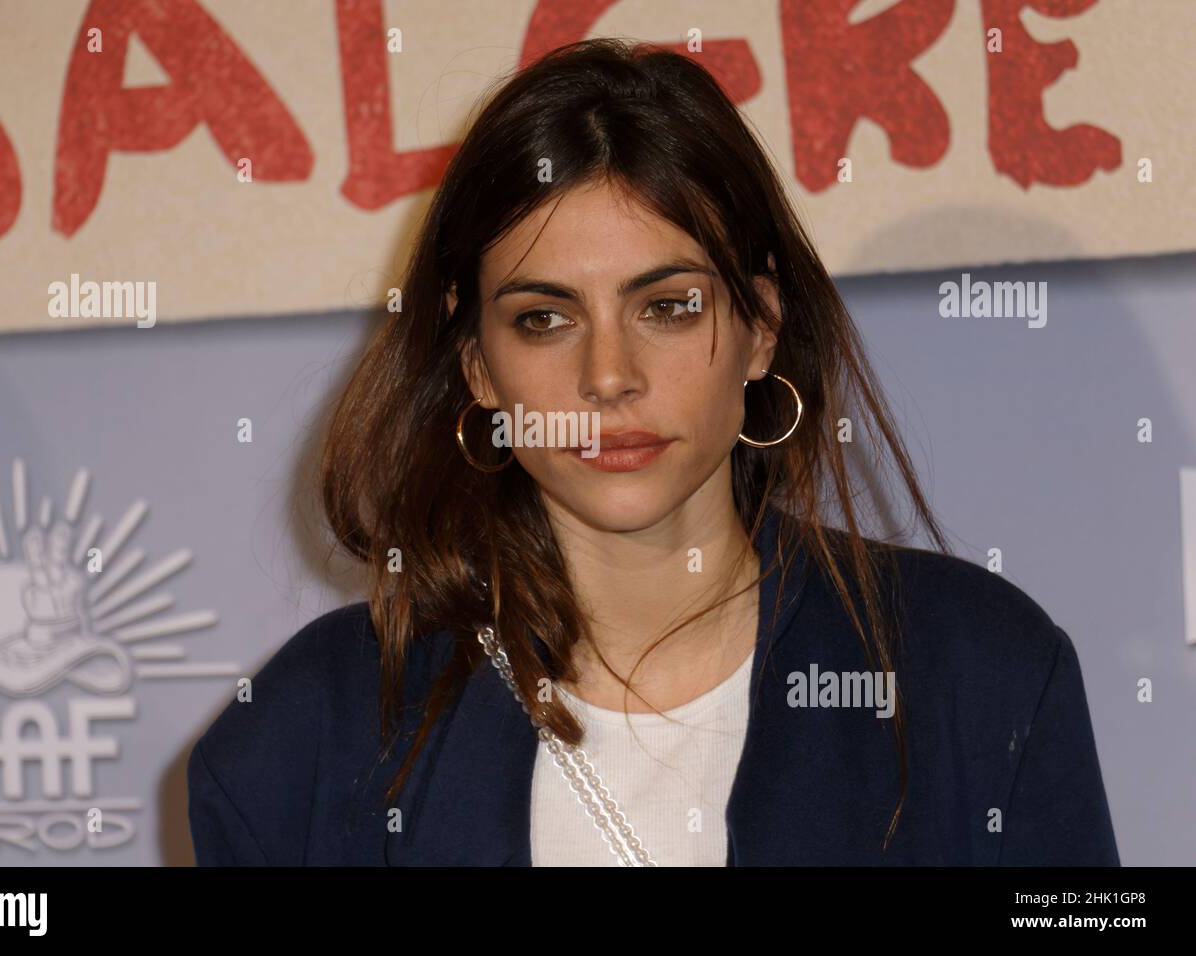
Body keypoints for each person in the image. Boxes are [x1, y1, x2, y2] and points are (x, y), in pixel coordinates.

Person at [186, 37, 1118, 866]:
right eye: (544, 318)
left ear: (759, 328)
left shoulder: (975, 673)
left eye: (667, 306)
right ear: (475, 364)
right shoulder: (307, 737)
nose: (608, 376)